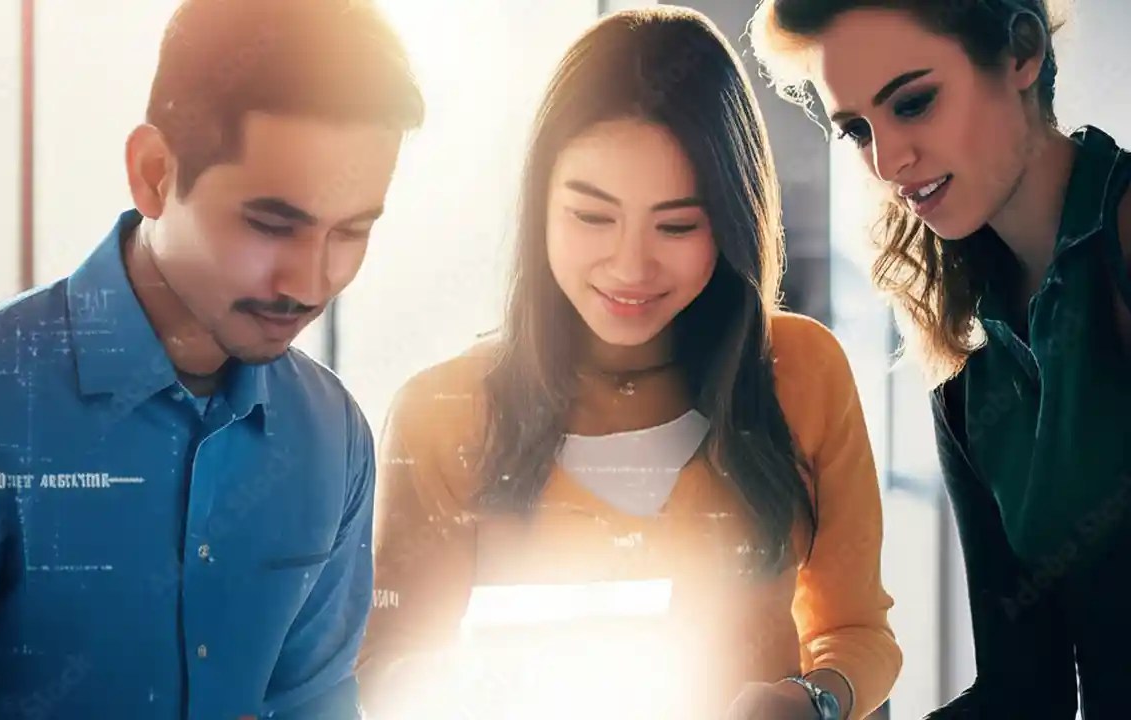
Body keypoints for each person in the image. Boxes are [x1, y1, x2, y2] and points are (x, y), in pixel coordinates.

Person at [0, 0, 423, 717]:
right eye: (272, 225)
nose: (310, 284)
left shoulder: (333, 433)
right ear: (154, 173)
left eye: (351, 232)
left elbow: (315, 703)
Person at [356, 7, 901, 720]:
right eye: (591, 216)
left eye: (677, 225)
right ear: (539, 206)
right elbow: (385, 664)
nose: (630, 267)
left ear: (732, 221)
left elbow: (856, 632)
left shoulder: (800, 369)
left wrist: (813, 701)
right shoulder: (444, 411)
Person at [749, 0, 1131, 717]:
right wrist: (816, 708)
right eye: (859, 129)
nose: (889, 160)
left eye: (915, 102)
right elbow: (1025, 692)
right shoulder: (967, 363)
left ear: (1021, 52)